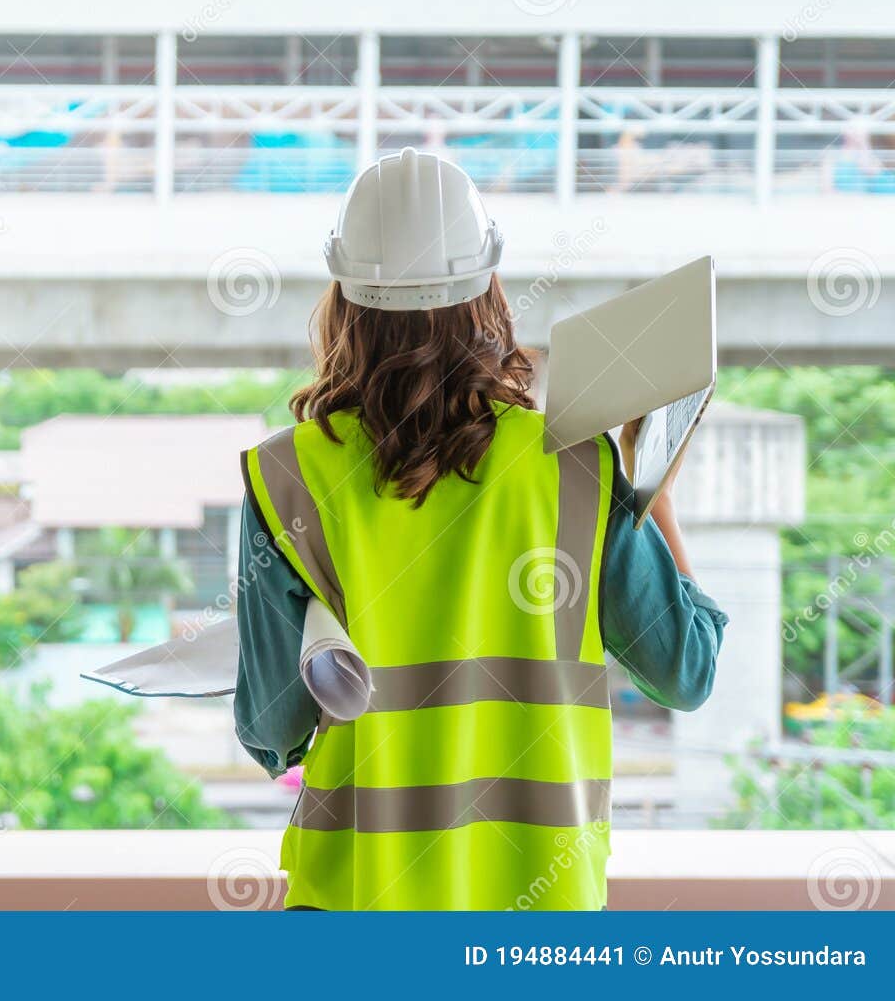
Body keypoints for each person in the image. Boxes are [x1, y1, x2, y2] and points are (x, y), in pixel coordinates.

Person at [234, 148, 727, 911]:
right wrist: (649, 490)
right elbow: (686, 671)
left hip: (352, 908)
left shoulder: (285, 476)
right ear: (487, 292)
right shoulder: (574, 467)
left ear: (343, 300)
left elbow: (272, 728)